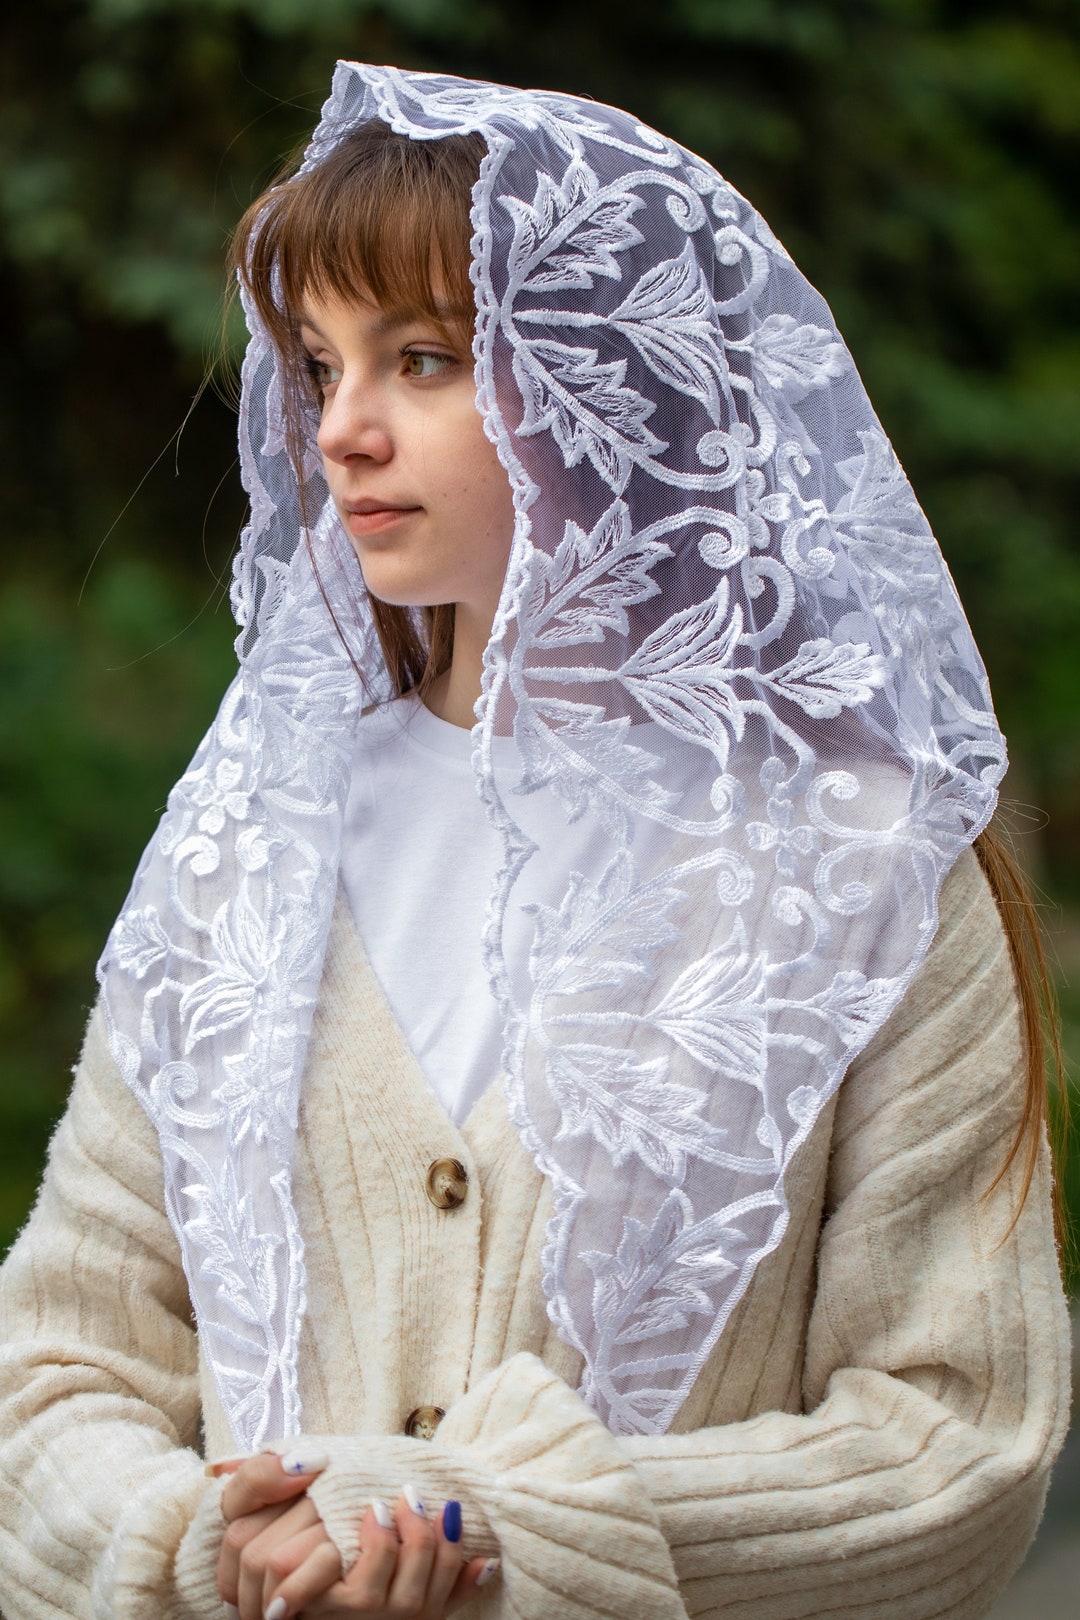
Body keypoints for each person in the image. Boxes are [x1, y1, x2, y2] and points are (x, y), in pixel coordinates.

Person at [0, 60, 1071, 1620]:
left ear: (611, 379)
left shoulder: (857, 866)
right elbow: (56, 1372)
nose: (343, 432)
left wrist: (488, 1524)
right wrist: (210, 1550)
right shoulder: (257, 838)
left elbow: (958, 1449)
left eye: (422, 360)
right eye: (317, 366)